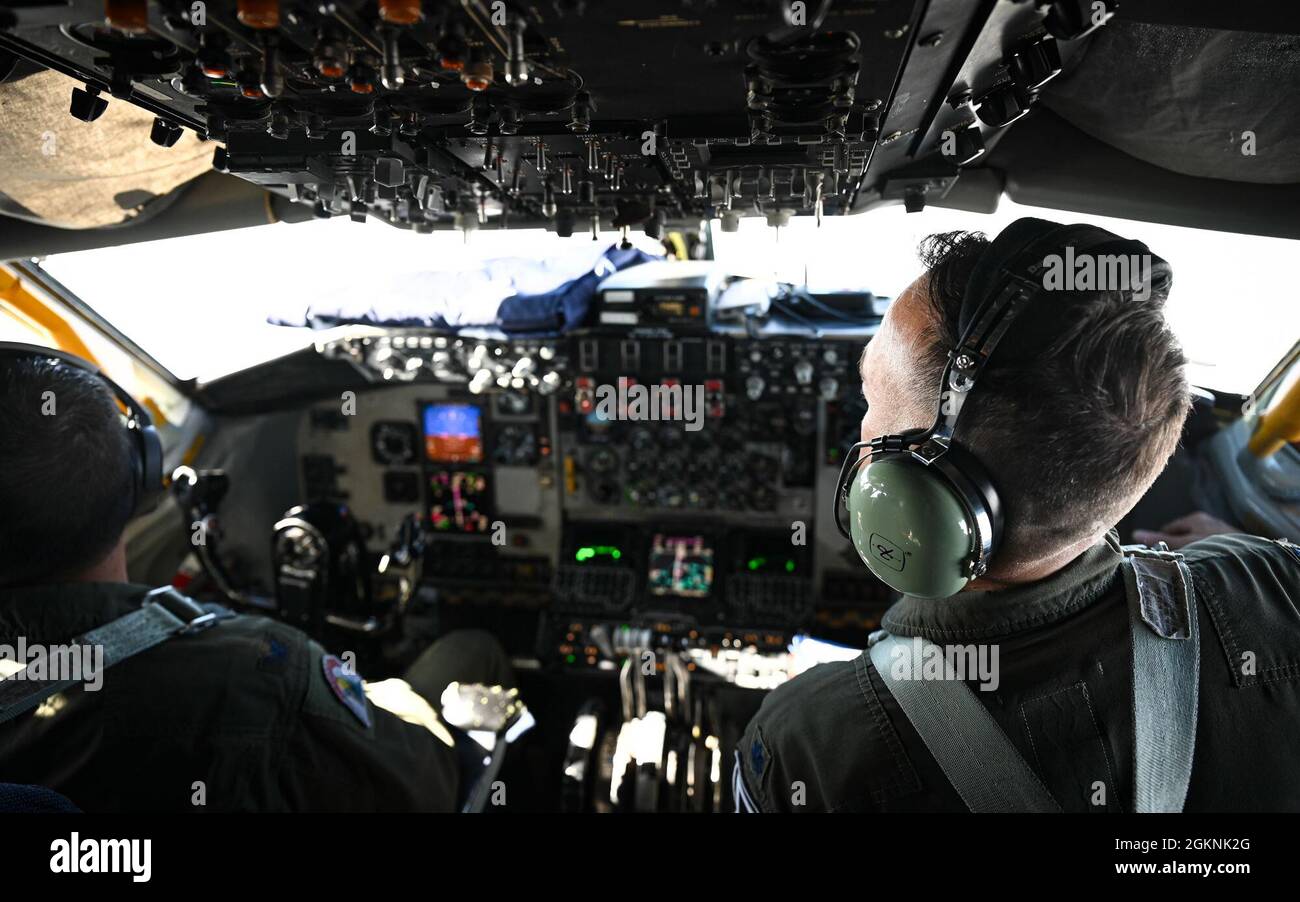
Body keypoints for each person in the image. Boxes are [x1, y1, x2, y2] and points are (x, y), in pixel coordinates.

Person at [735, 221, 1300, 813]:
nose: (861, 429)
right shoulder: (1272, 591)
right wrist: (1232, 561)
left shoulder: (803, 748)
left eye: (873, 400)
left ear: (931, 489)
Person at [0, 350, 510, 811]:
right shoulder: (259, 672)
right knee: (473, 648)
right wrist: (397, 698)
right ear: (140, 479)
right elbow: (424, 786)